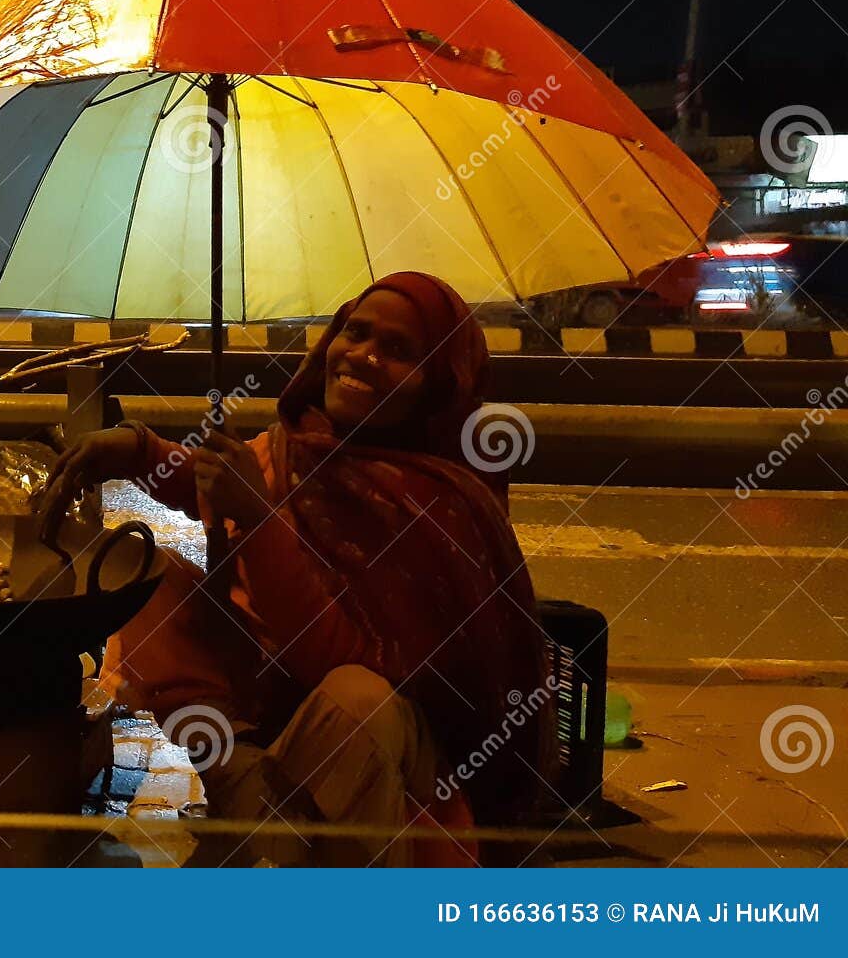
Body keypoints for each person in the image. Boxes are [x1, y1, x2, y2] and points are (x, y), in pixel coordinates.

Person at [36, 271, 550, 866]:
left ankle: (264, 830)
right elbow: (214, 478)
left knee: (356, 701)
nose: (363, 356)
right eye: (355, 332)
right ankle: (248, 787)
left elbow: (336, 657)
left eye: (400, 351)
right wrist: (134, 449)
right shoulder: (305, 445)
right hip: (269, 712)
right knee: (147, 569)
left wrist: (257, 518)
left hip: (387, 741)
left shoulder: (444, 501)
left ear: (439, 383)